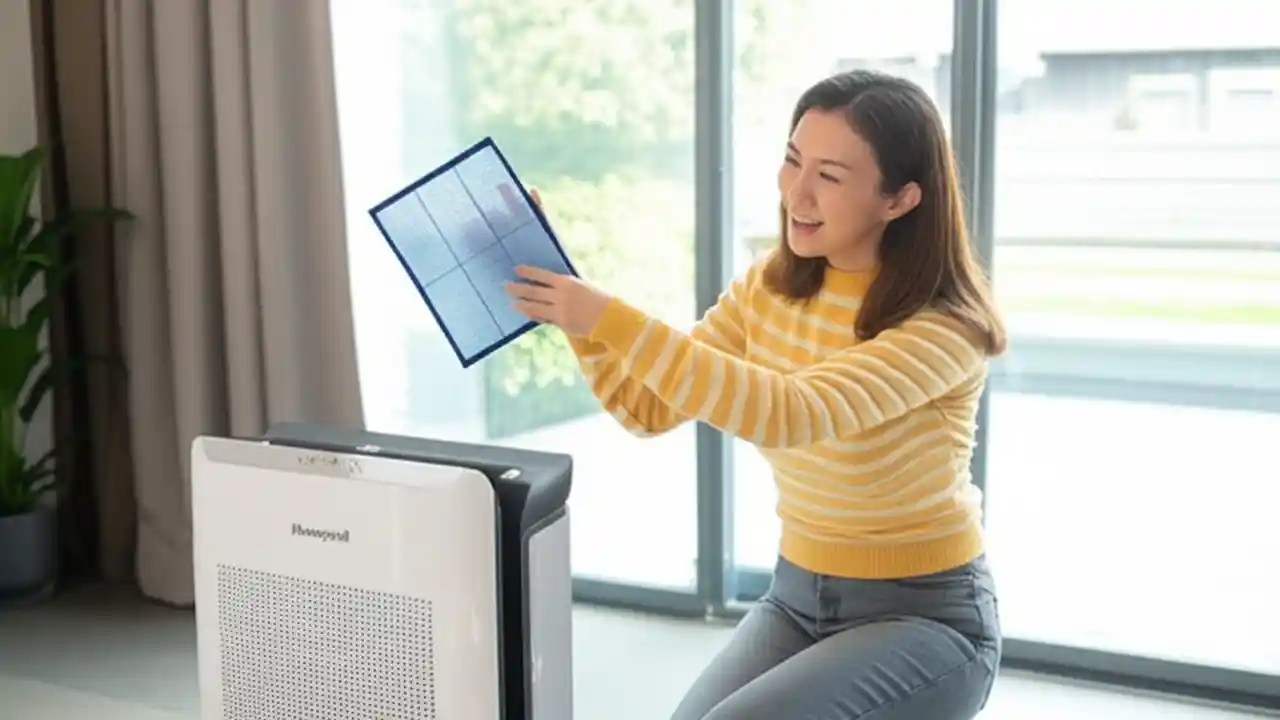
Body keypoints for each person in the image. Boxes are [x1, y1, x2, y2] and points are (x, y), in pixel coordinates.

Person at [506, 69, 1006, 720]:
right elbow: (645, 406)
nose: (796, 192)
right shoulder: (770, 289)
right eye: (793, 160)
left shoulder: (943, 330)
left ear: (900, 199)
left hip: (926, 614)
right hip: (797, 596)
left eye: (829, 175)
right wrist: (571, 306)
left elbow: (790, 411)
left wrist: (605, 315)